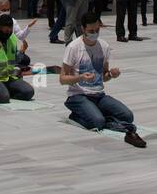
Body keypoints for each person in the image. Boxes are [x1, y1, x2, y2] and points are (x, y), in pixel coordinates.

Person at [61, 15, 144, 147]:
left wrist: (111, 74)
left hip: (99, 95)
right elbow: (62, 79)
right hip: (78, 96)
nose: (95, 34)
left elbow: (104, 75)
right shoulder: (73, 47)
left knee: (128, 116)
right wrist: (80, 77)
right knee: (97, 123)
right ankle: (77, 116)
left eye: (97, 30)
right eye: (91, 31)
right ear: (83, 29)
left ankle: (100, 116)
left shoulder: (104, 46)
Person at [0, 0, 32, 69]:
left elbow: (20, 36)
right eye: (4, 10)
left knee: (26, 60)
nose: (6, 12)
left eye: (8, 9)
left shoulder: (13, 21)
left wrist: (28, 28)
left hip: (8, 49)